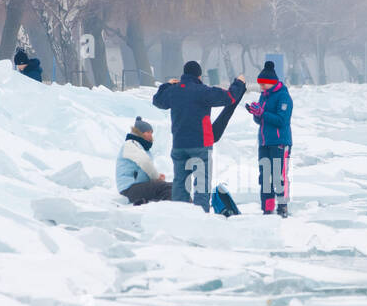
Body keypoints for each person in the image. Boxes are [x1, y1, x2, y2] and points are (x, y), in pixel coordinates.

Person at [151, 60, 246, 211]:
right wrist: (239, 83)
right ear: (199, 76)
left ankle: (179, 215)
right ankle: (200, 216)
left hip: (179, 145)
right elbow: (229, 97)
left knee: (180, 183)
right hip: (200, 144)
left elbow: (157, 101)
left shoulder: (174, 91)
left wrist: (167, 84)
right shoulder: (203, 91)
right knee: (201, 183)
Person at [247, 60, 293, 216]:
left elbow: (282, 120)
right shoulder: (264, 96)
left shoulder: (284, 97)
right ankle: (267, 207)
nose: (261, 87)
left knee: (279, 175)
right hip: (265, 142)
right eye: (260, 84)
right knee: (265, 176)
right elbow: (261, 120)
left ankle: (282, 206)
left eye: (263, 84)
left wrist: (262, 113)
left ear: (271, 83)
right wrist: (256, 114)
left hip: (280, 142)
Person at [115, 116, 172, 205]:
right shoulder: (130, 144)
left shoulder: (141, 147)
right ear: (139, 133)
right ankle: (177, 210)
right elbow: (145, 162)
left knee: (172, 188)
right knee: (168, 188)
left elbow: (143, 169)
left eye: (151, 132)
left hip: (136, 187)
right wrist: (156, 178)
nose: (150, 135)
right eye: (147, 132)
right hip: (129, 188)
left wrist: (156, 179)